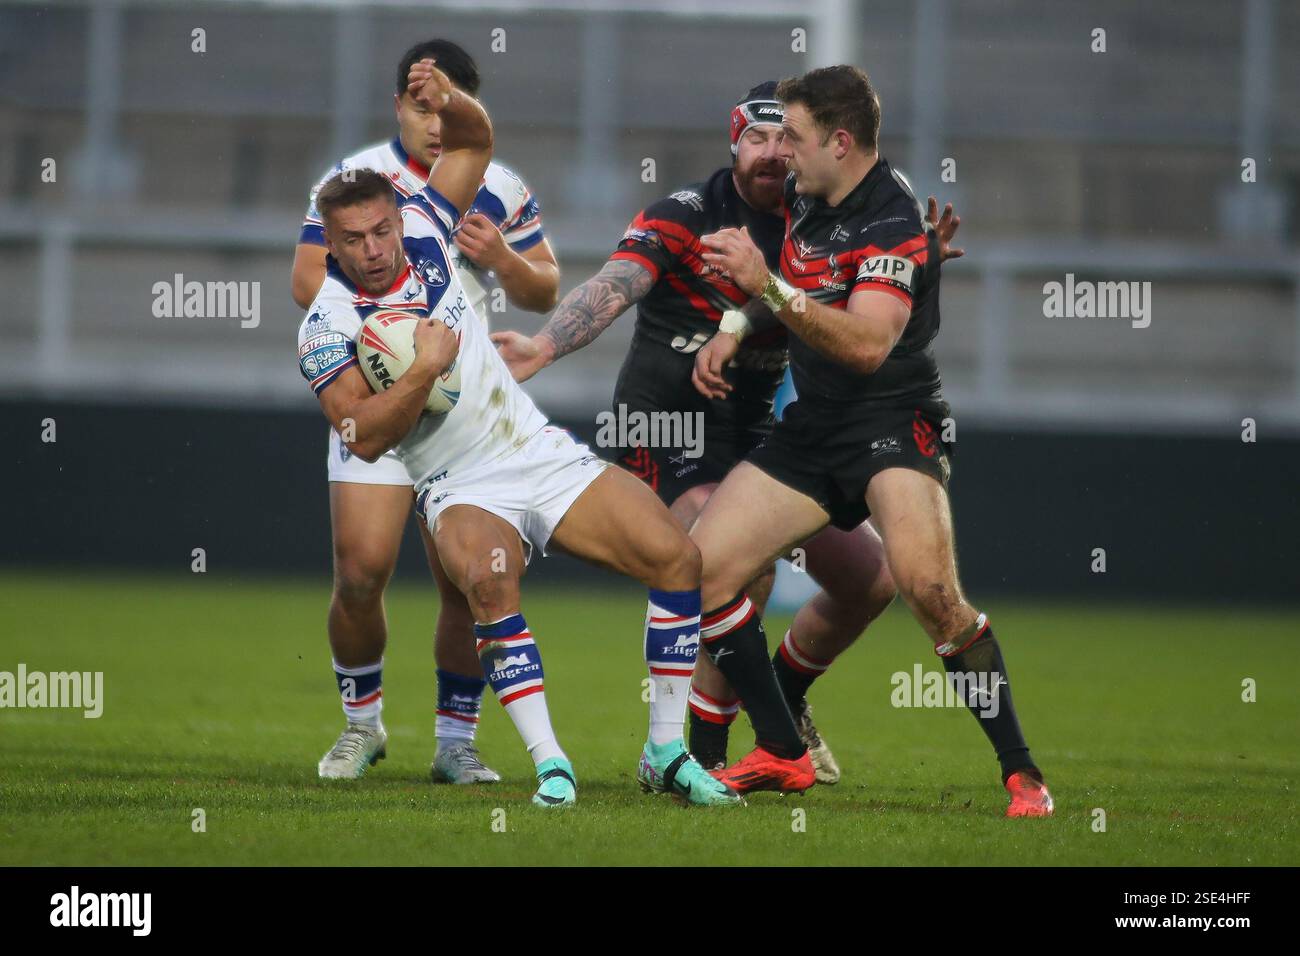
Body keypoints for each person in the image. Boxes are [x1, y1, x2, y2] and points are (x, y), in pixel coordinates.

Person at [297, 60, 739, 809]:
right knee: (488, 584)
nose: (373, 248)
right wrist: (418, 374)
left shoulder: (435, 230)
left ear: (399, 220)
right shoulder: (326, 327)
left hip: (537, 450)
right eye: (352, 239)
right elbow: (360, 434)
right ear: (331, 246)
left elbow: (474, 138)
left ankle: (664, 751)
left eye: (380, 230)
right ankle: (550, 763)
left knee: (677, 556)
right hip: (458, 482)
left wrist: (451, 100)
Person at [493, 83, 961, 790]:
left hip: (757, 435)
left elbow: (871, 303)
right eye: (757, 138)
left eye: (786, 138)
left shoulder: (819, 219)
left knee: (873, 580)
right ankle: (698, 757)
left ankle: (784, 703)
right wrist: (544, 347)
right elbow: (619, 283)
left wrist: (919, 269)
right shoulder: (688, 213)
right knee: (734, 562)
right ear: (733, 144)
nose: (773, 152)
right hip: (662, 431)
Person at [694, 65, 1053, 816]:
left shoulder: (891, 222)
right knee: (701, 572)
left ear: (842, 141)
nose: (781, 151)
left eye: (792, 137)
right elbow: (815, 292)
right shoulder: (808, 195)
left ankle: (1023, 775)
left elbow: (863, 347)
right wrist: (735, 323)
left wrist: (765, 288)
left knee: (929, 592)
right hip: (815, 428)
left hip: (891, 422)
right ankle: (773, 750)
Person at [293, 39, 558, 784]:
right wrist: (392, 340)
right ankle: (361, 726)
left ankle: (454, 742)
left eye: (448, 104)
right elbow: (305, 280)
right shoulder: (353, 186)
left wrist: (500, 261)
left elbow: (543, 290)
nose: (435, 121)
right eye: (421, 104)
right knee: (359, 571)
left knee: (463, 580)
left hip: (462, 404)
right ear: (398, 107)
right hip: (381, 390)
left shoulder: (495, 185)